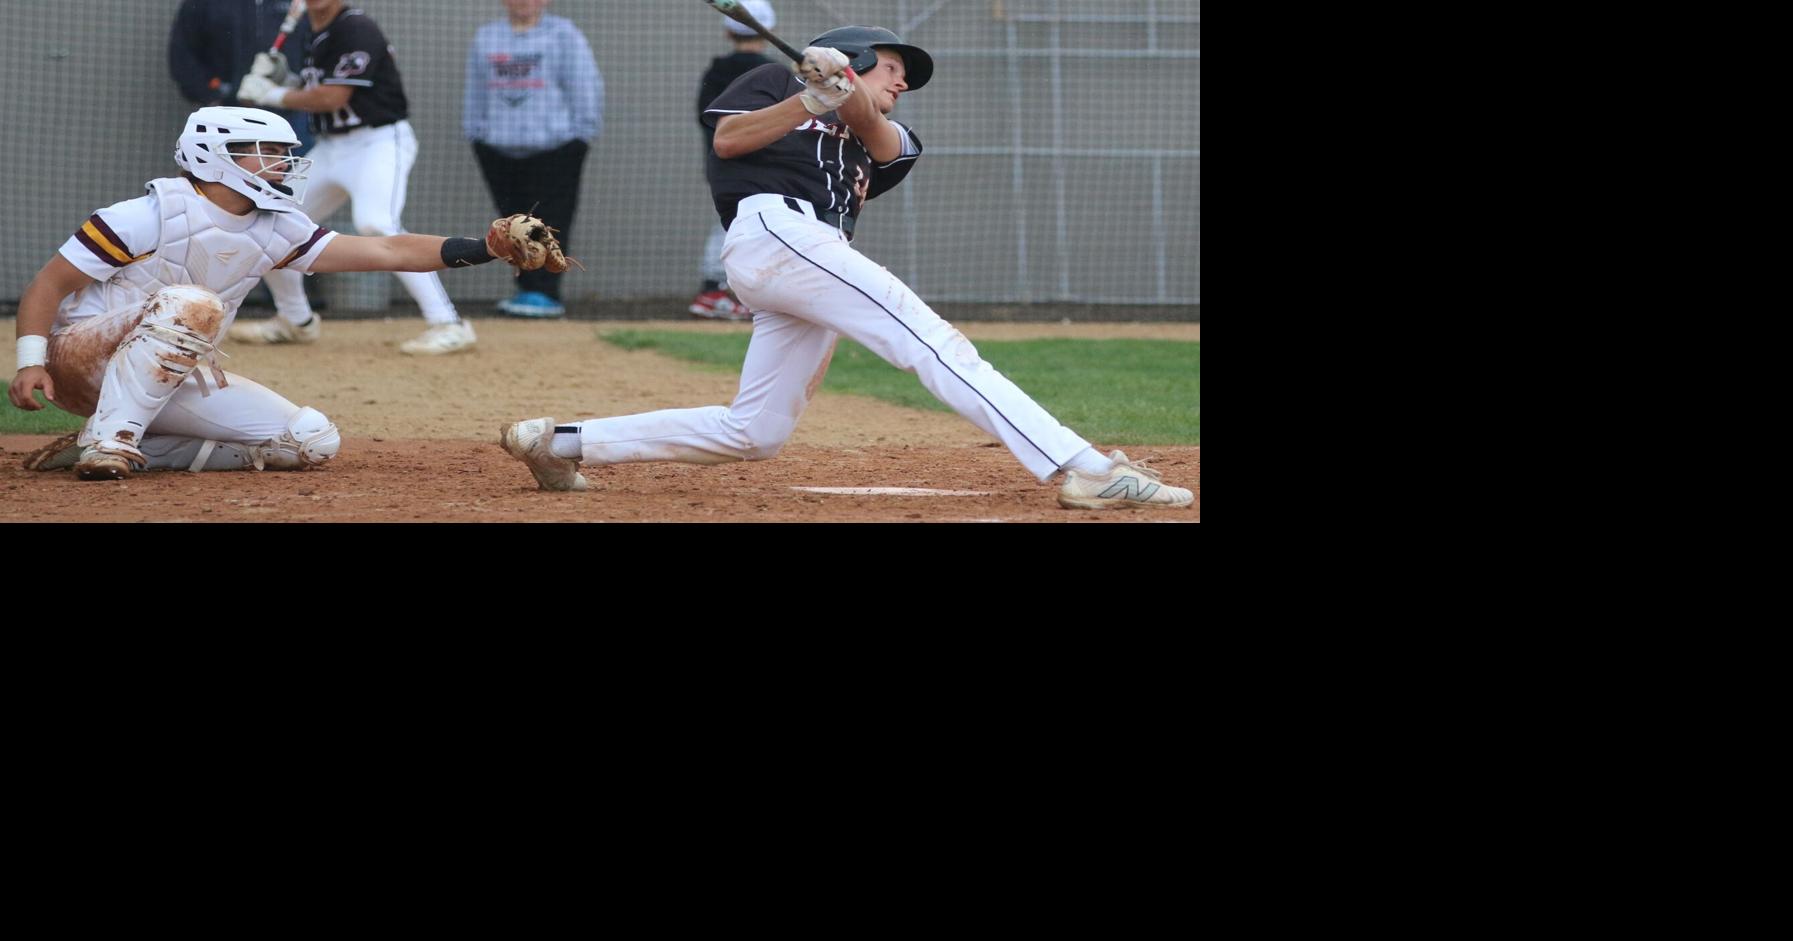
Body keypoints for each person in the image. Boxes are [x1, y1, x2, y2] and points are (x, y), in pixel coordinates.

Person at [496, 27, 1193, 510]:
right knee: (934, 343)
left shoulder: (882, 134)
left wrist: (843, 84)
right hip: (774, 230)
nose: (903, 83)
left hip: (803, 255)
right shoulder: (775, 79)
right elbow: (730, 141)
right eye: (892, 69)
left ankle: (557, 442)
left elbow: (876, 132)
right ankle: (1088, 468)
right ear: (858, 57)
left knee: (755, 431)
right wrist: (807, 95)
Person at [10, 107, 546, 481]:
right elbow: (47, 286)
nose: (283, 162)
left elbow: (386, 250)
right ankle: (110, 442)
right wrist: (31, 361)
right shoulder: (144, 214)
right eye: (266, 152)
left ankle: (129, 443)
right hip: (80, 359)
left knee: (311, 441)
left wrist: (485, 248)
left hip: (168, 373)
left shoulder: (278, 225)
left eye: (284, 152)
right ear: (215, 155)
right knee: (193, 303)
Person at [231, 0, 476, 355]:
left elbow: (333, 97)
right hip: (331, 146)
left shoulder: (356, 28)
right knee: (269, 219)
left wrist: (272, 93)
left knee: (377, 224)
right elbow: (320, 85)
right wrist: (285, 78)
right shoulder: (314, 31)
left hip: (377, 142)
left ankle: (448, 323)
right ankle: (295, 320)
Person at [464, 0, 602, 318]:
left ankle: (546, 292)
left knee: (550, 221)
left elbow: (585, 85)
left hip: (556, 147)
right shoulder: (486, 37)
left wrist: (581, 134)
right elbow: (476, 90)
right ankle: (526, 290)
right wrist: (477, 133)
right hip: (497, 148)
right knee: (513, 223)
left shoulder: (565, 35)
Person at [688, 0, 776, 321]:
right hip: (767, 167)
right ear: (769, 31)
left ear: (728, 32)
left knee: (733, 221)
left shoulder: (716, 72)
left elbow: (706, 118)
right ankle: (715, 289)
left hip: (723, 164)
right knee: (746, 224)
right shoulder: (774, 73)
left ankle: (733, 291)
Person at [167, 0, 316, 154]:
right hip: (225, 117)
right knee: (227, 167)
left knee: (291, 167)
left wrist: (296, 84)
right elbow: (182, 54)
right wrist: (215, 93)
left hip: (290, 117)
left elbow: (320, 46)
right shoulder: (206, 3)